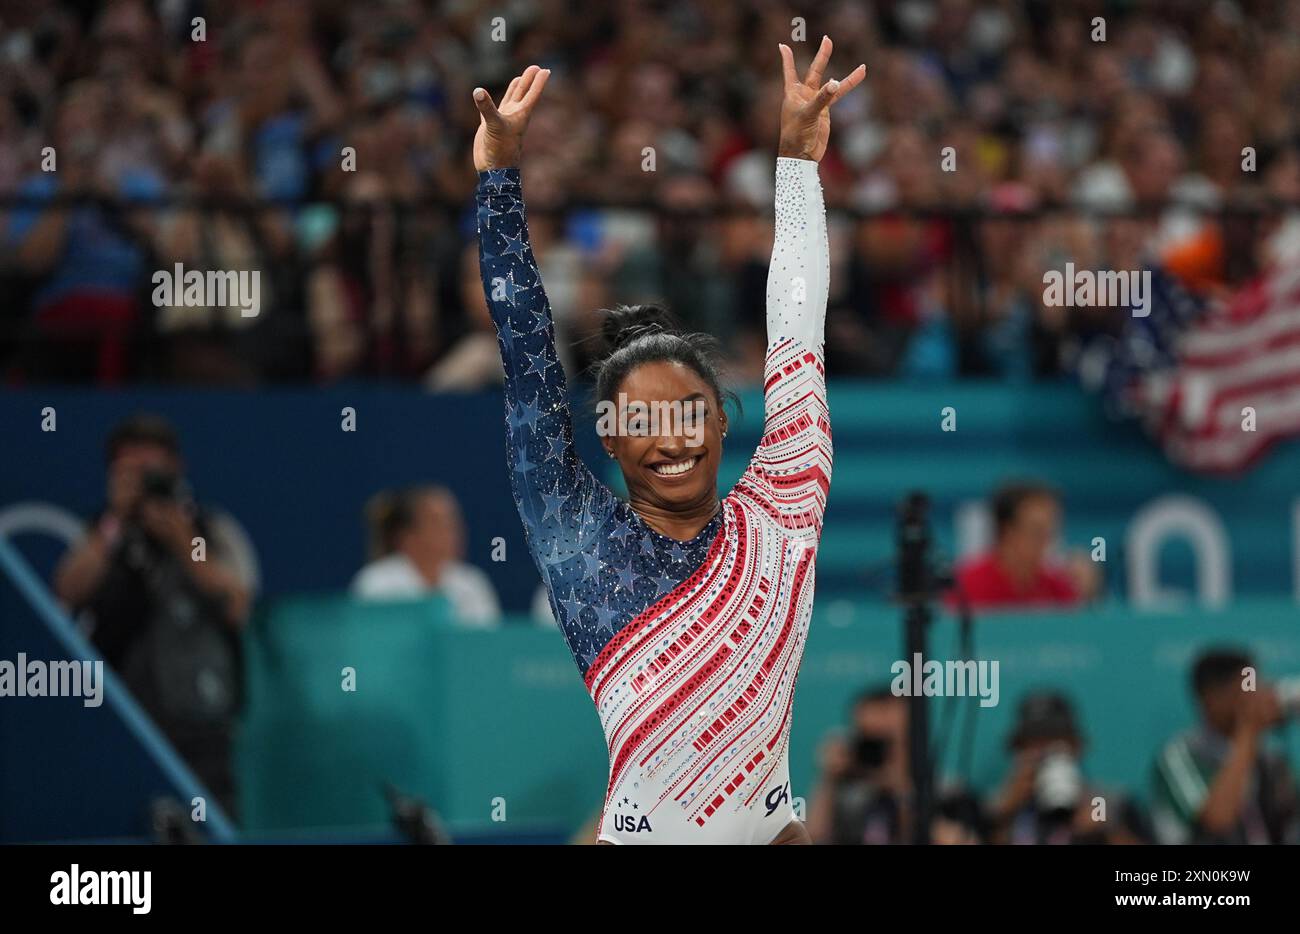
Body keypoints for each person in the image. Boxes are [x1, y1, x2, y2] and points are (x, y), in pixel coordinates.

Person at [473, 42, 863, 844]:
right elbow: (527, 358)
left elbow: (797, 329)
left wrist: (795, 165)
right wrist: (499, 179)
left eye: (688, 413)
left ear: (723, 420)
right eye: (640, 422)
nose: (669, 438)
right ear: (609, 439)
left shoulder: (782, 511)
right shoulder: (579, 536)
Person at [53, 413, 251, 816]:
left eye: (152, 468)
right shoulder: (103, 533)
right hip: (125, 723)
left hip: (202, 724)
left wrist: (183, 542)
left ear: (177, 468)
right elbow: (66, 591)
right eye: (132, 470)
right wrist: (116, 522)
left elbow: (236, 602)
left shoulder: (209, 530)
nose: (144, 480)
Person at [1151, 648, 1298, 844]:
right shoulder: (1178, 756)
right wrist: (1248, 731)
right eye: (1246, 687)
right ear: (1211, 697)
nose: (1254, 696)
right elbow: (1217, 821)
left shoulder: (1270, 758)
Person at [987, 691, 1147, 844]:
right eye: (1033, 743)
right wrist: (1003, 816)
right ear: (1018, 751)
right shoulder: (997, 807)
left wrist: (1107, 829)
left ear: (1077, 747)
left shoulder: (1110, 804)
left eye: (1054, 740)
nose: (1045, 753)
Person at [350, 486, 501, 627]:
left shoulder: (472, 583)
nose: (454, 533)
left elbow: (488, 646)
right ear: (407, 536)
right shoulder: (376, 584)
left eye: (454, 523)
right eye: (439, 524)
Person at [951, 480, 1099, 610]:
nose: (1046, 542)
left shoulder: (1056, 587)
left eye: (1051, 531)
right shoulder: (966, 586)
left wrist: (1087, 596)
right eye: (1037, 531)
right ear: (1007, 531)